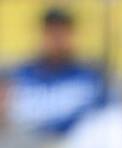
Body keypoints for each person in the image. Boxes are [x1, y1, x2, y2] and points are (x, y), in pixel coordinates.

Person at [8, 6, 105, 139]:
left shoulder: (90, 78)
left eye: (62, 32)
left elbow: (117, 119)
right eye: (51, 32)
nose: (56, 39)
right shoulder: (19, 77)